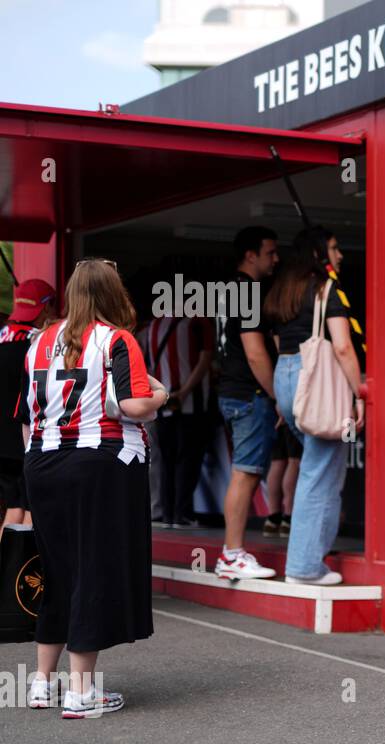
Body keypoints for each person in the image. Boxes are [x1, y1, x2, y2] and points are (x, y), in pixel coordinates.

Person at [21, 259, 169, 718]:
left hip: (42, 463)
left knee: (57, 569)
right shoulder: (116, 339)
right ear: (112, 293)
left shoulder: (38, 341)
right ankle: (83, 692)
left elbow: (28, 414)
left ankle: (42, 683)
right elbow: (132, 405)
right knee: (91, 570)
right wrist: (162, 395)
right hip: (99, 463)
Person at [265, 227, 363, 585]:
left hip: (286, 378)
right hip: (317, 381)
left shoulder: (282, 292)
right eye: (335, 249)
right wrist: (359, 392)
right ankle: (305, 566)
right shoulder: (326, 289)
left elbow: (279, 344)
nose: (340, 256)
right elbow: (341, 347)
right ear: (319, 254)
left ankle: (307, 559)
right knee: (319, 474)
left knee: (314, 467)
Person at [215, 227, 279, 579]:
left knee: (245, 473)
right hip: (248, 395)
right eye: (270, 252)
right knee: (245, 473)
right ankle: (232, 553)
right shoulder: (248, 292)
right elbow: (255, 353)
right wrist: (277, 395)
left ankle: (232, 552)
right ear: (250, 255)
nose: (276, 259)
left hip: (232, 392)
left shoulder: (227, 291)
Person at [141, 298, 215, 529]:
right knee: (187, 458)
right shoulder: (198, 320)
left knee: (167, 459)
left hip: (163, 402)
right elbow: (205, 360)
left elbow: (148, 366)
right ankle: (183, 514)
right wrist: (184, 392)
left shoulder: (153, 325)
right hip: (190, 400)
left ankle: (168, 514)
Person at [0, 278, 56, 524]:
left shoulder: (1, 335)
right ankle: (18, 564)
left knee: (10, 509)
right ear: (45, 307)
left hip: (2, 445)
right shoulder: (41, 343)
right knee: (27, 512)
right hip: (26, 441)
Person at [262, 424, 300, 536]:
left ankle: (273, 518)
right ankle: (288, 518)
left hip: (274, 413)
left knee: (277, 461)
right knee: (294, 461)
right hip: (292, 413)